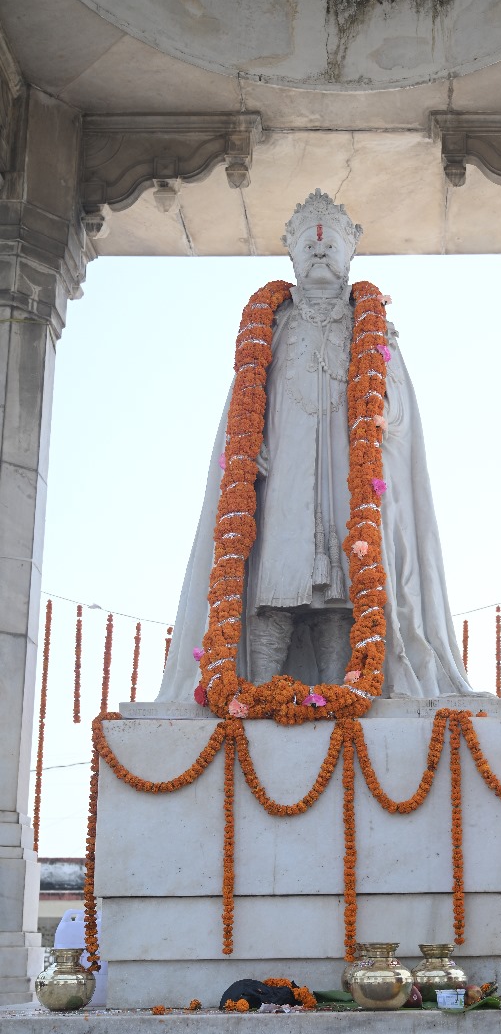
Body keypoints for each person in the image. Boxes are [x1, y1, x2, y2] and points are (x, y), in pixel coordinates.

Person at [159, 190, 474, 703]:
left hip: (349, 472)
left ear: (350, 255)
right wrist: (248, 446)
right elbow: (243, 402)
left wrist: (379, 410)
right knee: (276, 582)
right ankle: (257, 693)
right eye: (308, 245)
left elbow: (401, 412)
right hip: (282, 470)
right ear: (293, 257)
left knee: (343, 588)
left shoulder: (371, 328)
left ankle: (335, 694)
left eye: (329, 245)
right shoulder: (274, 326)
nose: (320, 251)